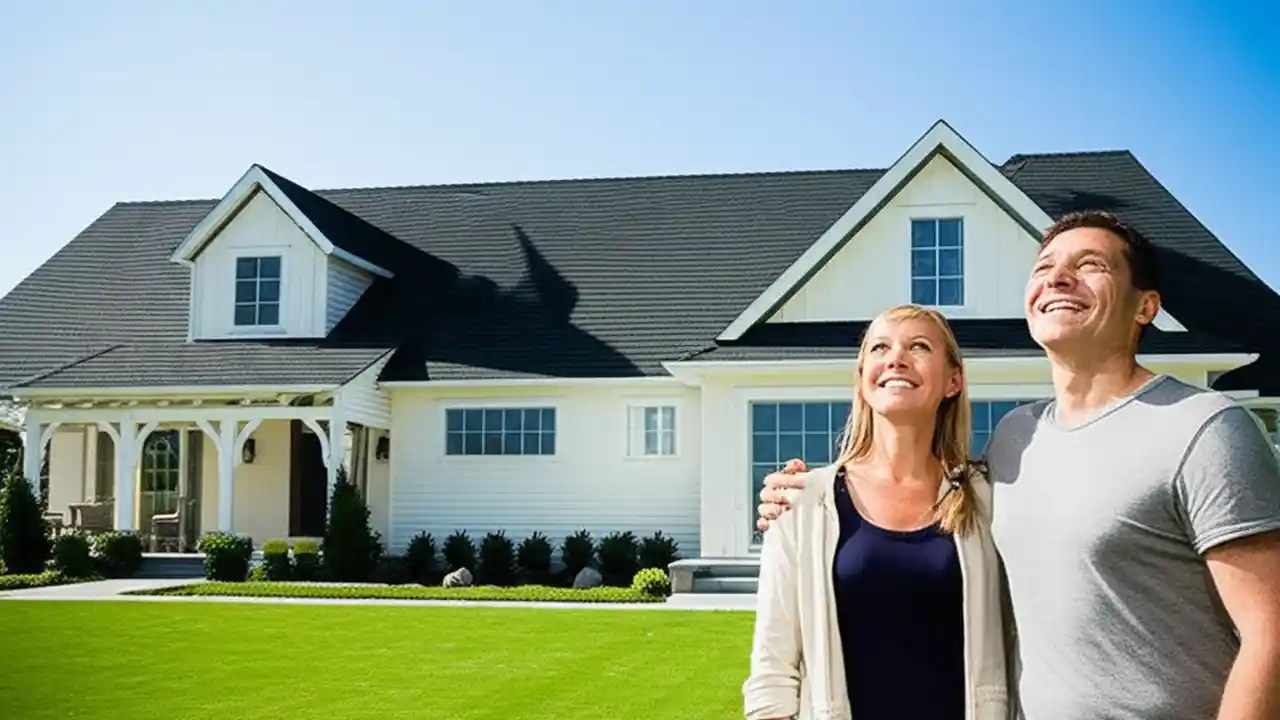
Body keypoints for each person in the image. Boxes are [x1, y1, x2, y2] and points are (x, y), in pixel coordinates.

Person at [756, 210, 1280, 719]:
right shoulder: (1014, 444)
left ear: (1146, 307)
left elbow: (1270, 629)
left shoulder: (1202, 427)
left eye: (1091, 264)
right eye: (1044, 266)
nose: (1059, 277)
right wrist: (796, 496)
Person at [743, 304, 1010, 720]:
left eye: (919, 346)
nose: (896, 358)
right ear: (863, 379)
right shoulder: (803, 501)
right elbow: (772, 667)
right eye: (880, 347)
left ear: (954, 381)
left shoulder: (988, 499)